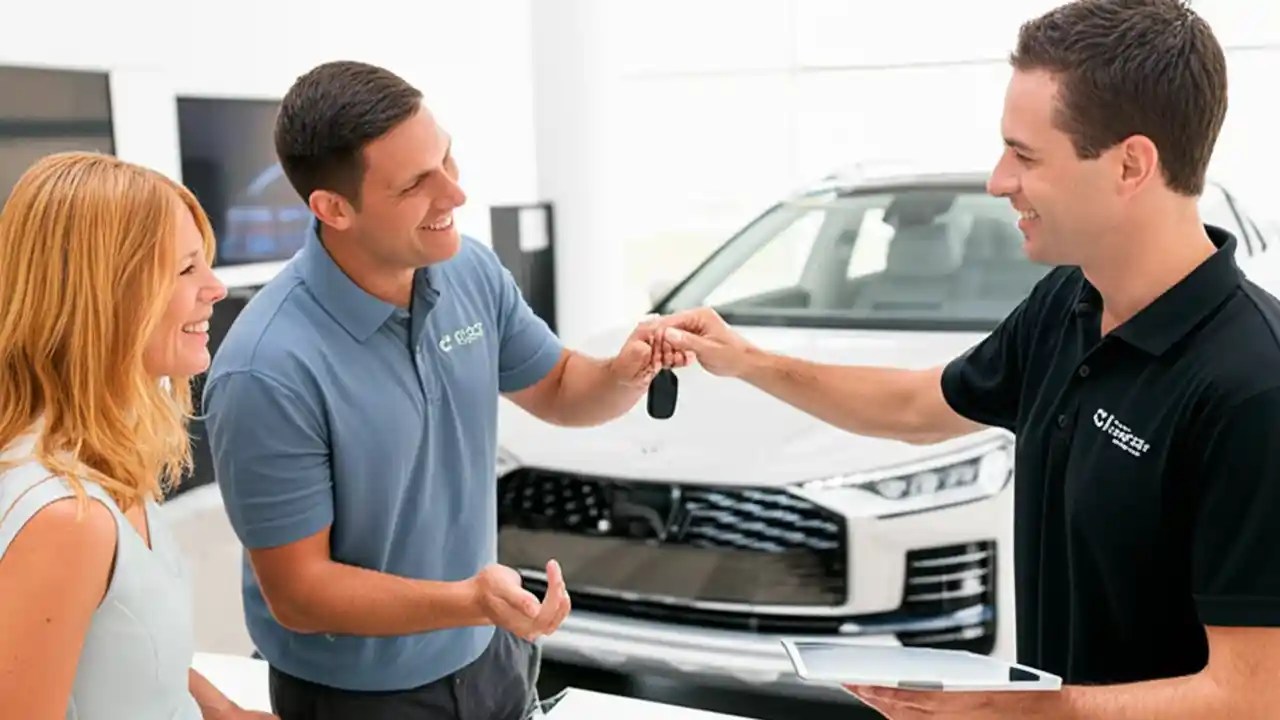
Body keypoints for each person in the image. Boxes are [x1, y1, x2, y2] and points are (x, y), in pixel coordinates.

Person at [657, 1, 1280, 717]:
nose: (997, 179)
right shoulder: (1067, 305)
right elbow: (918, 406)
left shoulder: (1253, 388)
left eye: (1026, 154)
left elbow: (1255, 694)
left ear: (1131, 164)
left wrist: (1017, 712)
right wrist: (749, 361)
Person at [201, 60, 687, 720]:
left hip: (488, 657)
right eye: (416, 184)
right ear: (332, 208)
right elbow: (302, 594)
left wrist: (622, 373)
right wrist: (469, 600)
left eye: (448, 158)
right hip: (356, 698)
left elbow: (562, 387)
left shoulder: (467, 269)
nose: (455, 194)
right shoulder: (266, 370)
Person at [0, 152, 274, 719]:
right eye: (186, 269)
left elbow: (119, 648)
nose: (216, 288)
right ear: (104, 295)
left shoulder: (100, 454)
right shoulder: (65, 521)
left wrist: (219, 708)